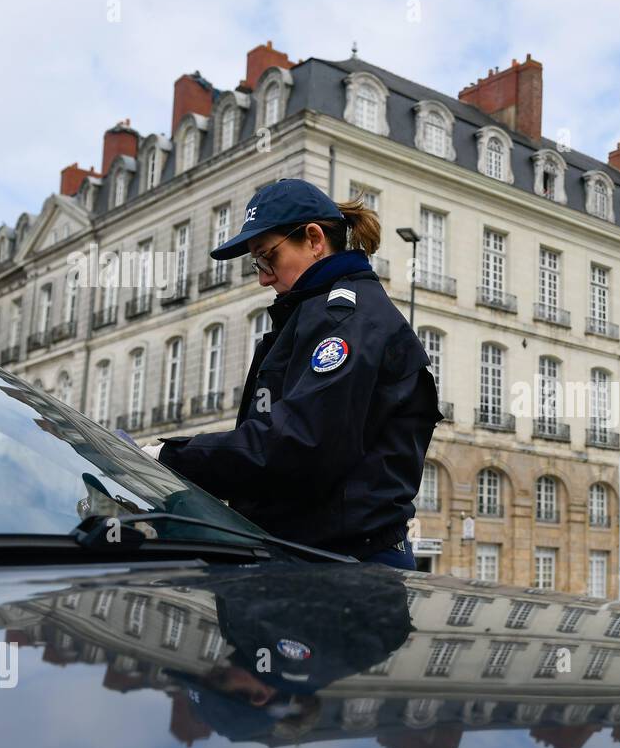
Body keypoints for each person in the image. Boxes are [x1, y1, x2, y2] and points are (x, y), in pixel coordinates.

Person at [144, 178, 442, 567]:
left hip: (344, 566)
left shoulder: (345, 318)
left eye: (268, 257)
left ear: (315, 240)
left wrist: (170, 455)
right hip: (321, 556)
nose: (264, 276)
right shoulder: (315, 313)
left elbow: (299, 445)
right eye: (257, 263)